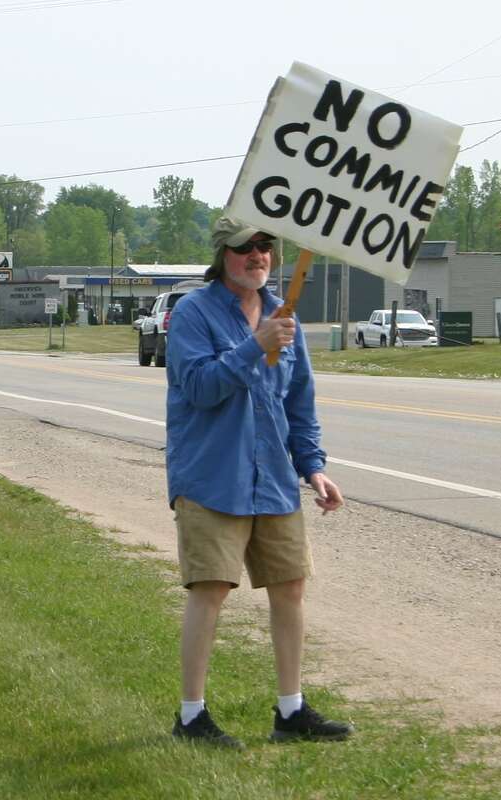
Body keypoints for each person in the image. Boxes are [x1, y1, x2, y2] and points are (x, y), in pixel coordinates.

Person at [164, 217, 351, 749]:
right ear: (222, 255)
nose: (258, 255)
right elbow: (199, 388)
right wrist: (253, 346)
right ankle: (191, 717)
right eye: (245, 247)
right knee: (210, 589)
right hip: (211, 477)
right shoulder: (193, 313)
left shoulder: (283, 316)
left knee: (290, 586)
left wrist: (313, 467)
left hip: (273, 478)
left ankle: (291, 711)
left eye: (266, 246)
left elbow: (300, 401)